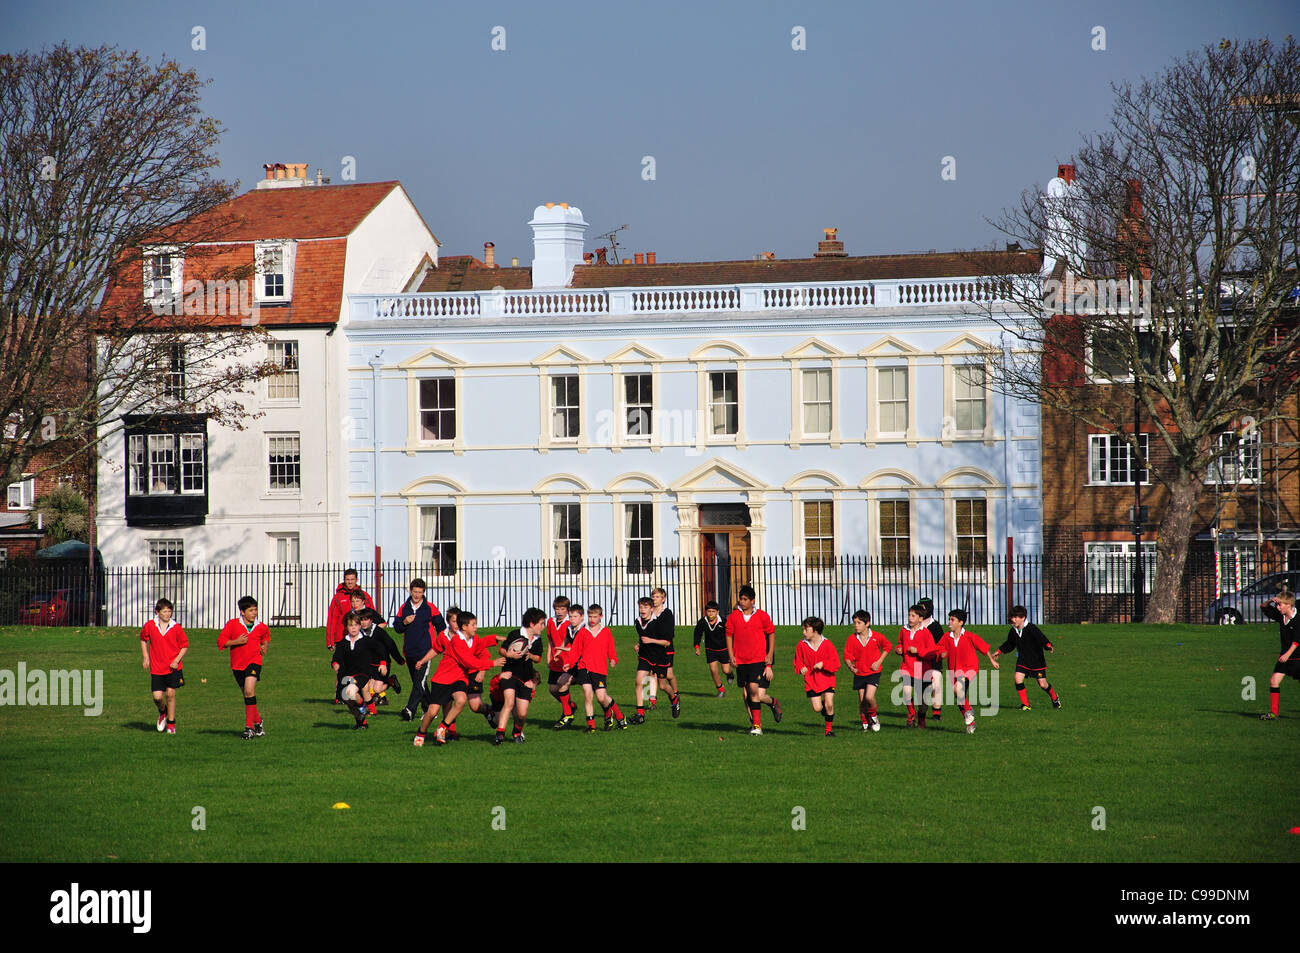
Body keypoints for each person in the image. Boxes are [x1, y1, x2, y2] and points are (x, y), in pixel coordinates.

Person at [415, 611, 502, 746]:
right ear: (464, 627)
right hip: (443, 679)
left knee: (461, 700)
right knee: (432, 712)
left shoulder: (473, 639)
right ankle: (421, 733)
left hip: (460, 679)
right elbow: (470, 663)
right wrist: (493, 663)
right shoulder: (456, 641)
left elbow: (481, 644)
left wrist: (495, 638)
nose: (476, 627)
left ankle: (443, 727)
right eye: (473, 625)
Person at [931, 608, 999, 734]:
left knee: (958, 689)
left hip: (969, 668)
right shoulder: (946, 637)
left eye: (952, 620)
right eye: (949, 619)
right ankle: (971, 723)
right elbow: (939, 648)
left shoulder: (969, 636)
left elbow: (983, 647)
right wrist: (941, 653)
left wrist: (992, 660)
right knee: (959, 699)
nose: (949, 622)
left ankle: (969, 711)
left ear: (961, 622)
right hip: (954, 670)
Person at [726, 585, 781, 735]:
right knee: (746, 695)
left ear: (752, 601)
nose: (742, 602)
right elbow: (729, 635)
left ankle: (757, 726)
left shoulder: (762, 616)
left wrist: (769, 655)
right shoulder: (734, 616)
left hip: (757, 659)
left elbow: (771, 633)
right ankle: (757, 719)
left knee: (754, 689)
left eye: (745, 599)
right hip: (741, 660)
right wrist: (731, 656)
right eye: (741, 599)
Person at [392, 578, 447, 722]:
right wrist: (404, 622)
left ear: (424, 593)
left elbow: (441, 627)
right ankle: (430, 710)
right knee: (419, 682)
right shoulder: (404, 608)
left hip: (426, 651)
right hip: (409, 651)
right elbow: (397, 627)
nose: (416, 595)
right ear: (410, 591)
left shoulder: (430, 608)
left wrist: (443, 645)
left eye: (420, 592)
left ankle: (409, 710)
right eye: (414, 592)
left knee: (419, 682)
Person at [217, 595, 271, 739]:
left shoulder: (261, 626)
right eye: (251, 610)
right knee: (248, 695)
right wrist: (236, 641)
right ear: (242, 612)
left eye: (255, 610)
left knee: (249, 690)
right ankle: (258, 721)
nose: (254, 613)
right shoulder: (232, 625)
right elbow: (221, 642)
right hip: (237, 665)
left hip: (254, 662)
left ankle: (249, 728)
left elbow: (266, 637)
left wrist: (265, 646)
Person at [569, 603, 629, 732]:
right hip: (583, 668)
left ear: (600, 616)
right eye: (590, 616)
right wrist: (570, 662)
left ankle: (617, 715)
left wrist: (613, 659)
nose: (592, 619)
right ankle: (591, 725)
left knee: (602, 697)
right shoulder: (583, 631)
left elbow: (611, 649)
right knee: (588, 694)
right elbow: (576, 650)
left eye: (595, 616)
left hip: (599, 669)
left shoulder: (606, 632)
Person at [494, 608, 547, 745]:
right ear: (531, 624)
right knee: (509, 702)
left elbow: (538, 659)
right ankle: (500, 734)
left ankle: (517, 731)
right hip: (509, 674)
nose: (543, 626)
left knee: (522, 713)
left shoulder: (537, 640)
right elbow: (501, 649)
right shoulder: (515, 634)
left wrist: (530, 655)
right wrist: (509, 654)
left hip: (526, 678)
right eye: (541, 623)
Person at [992, 605, 1060, 711]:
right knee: (1017, 679)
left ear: (1023, 618)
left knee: (1043, 684)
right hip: (1023, 660)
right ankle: (1026, 705)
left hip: (1037, 661)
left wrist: (1048, 645)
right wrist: (999, 651)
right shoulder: (1013, 630)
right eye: (1012, 617)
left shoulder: (1031, 628)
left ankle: (1054, 697)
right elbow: (1010, 644)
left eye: (1015, 617)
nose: (1013, 619)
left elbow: (1042, 638)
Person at [140, 598, 187, 734]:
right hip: (157, 668)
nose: (167, 614)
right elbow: (143, 639)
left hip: (173, 668)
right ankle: (163, 712)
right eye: (164, 611)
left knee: (171, 694)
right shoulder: (150, 625)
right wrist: (145, 657)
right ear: (157, 612)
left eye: (169, 611)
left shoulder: (176, 627)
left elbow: (184, 646)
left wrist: (176, 660)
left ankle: (171, 724)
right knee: (157, 697)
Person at [351, 591, 403, 709]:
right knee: (367, 686)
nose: (355, 603)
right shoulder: (352, 617)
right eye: (353, 601)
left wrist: (398, 660)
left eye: (357, 601)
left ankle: (389, 682)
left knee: (376, 688)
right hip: (368, 661)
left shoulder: (373, 625)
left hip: (381, 661)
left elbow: (388, 644)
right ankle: (370, 709)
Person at [332, 611, 383, 729]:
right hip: (345, 674)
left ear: (360, 626)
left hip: (361, 673)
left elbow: (380, 651)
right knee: (346, 699)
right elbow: (336, 657)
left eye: (355, 625)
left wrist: (383, 664)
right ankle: (361, 722)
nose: (353, 628)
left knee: (349, 692)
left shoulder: (366, 641)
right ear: (346, 627)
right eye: (350, 625)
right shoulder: (342, 643)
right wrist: (335, 664)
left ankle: (361, 704)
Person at [843, 609, 891, 732]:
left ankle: (873, 716)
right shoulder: (852, 639)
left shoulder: (876, 636)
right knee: (862, 699)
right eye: (854, 622)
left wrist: (879, 661)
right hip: (859, 672)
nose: (856, 625)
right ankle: (865, 723)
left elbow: (887, 646)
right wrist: (850, 666)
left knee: (869, 697)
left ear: (867, 623)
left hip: (873, 672)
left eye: (859, 622)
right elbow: (847, 656)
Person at [794, 616, 840, 736]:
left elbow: (836, 663)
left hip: (827, 678)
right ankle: (825, 708)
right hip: (811, 680)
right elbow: (798, 661)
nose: (803, 632)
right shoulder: (801, 645)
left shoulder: (827, 644)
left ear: (815, 630)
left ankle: (828, 731)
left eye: (806, 630)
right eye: (803, 629)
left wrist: (823, 664)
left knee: (829, 703)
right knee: (817, 708)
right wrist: (801, 667)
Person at [895, 604, 938, 728]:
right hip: (907, 667)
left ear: (920, 618)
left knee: (922, 701)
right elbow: (900, 644)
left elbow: (931, 652)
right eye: (909, 615)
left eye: (913, 616)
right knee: (907, 692)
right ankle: (911, 714)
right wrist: (899, 649)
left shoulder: (926, 633)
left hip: (922, 670)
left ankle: (921, 719)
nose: (910, 618)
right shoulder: (904, 630)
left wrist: (918, 651)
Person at [1260, 589, 1299, 721]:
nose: (1278, 607)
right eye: (1277, 605)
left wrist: (1287, 654)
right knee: (1274, 681)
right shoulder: (1281, 616)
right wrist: (1271, 600)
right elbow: (1263, 607)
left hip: (1297, 657)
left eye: (1280, 605)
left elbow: (1297, 641)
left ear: (1289, 604)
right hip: (1285, 656)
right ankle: (1274, 713)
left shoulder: (1298, 618)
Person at [630, 597, 670, 723]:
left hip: (659, 657)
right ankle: (640, 714)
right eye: (641, 607)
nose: (642, 609)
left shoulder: (658, 624)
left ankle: (674, 698)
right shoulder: (637, 622)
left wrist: (651, 641)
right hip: (645, 657)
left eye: (646, 607)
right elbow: (642, 637)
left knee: (663, 686)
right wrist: (639, 645)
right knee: (638, 681)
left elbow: (667, 642)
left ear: (652, 609)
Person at [550, 603, 586, 728]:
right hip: (576, 664)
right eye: (570, 616)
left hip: (587, 666)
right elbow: (566, 640)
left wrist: (566, 658)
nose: (571, 619)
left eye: (574, 616)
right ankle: (568, 714)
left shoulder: (584, 630)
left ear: (582, 617)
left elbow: (579, 650)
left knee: (600, 696)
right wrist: (559, 650)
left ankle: (615, 715)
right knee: (561, 682)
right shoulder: (570, 628)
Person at [651, 586, 681, 717]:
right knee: (651, 674)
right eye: (653, 596)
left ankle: (675, 694)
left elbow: (670, 634)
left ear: (663, 599)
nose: (654, 599)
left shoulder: (667, 613)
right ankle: (651, 700)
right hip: (651, 650)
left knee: (668, 675)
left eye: (657, 597)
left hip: (666, 649)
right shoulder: (649, 613)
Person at [326, 568, 372, 650]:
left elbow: (372, 616)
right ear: (344, 580)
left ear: (356, 580)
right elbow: (332, 619)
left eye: (352, 579)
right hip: (342, 637)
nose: (350, 582)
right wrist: (330, 641)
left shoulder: (364, 595)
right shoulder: (338, 597)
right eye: (347, 579)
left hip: (361, 636)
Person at [694, 600, 731, 696]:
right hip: (710, 649)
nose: (711, 614)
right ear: (706, 612)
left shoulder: (723, 622)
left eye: (713, 611)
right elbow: (697, 633)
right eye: (709, 611)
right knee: (713, 670)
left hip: (723, 649)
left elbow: (730, 635)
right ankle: (721, 689)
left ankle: (730, 674)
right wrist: (697, 647)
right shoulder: (702, 622)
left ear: (717, 612)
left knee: (725, 670)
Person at [918, 596, 945, 722]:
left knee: (936, 685)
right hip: (918, 662)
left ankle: (936, 713)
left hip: (934, 661)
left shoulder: (935, 626)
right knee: (922, 690)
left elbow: (941, 644)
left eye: (923, 609)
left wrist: (940, 653)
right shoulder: (914, 626)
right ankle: (920, 713)